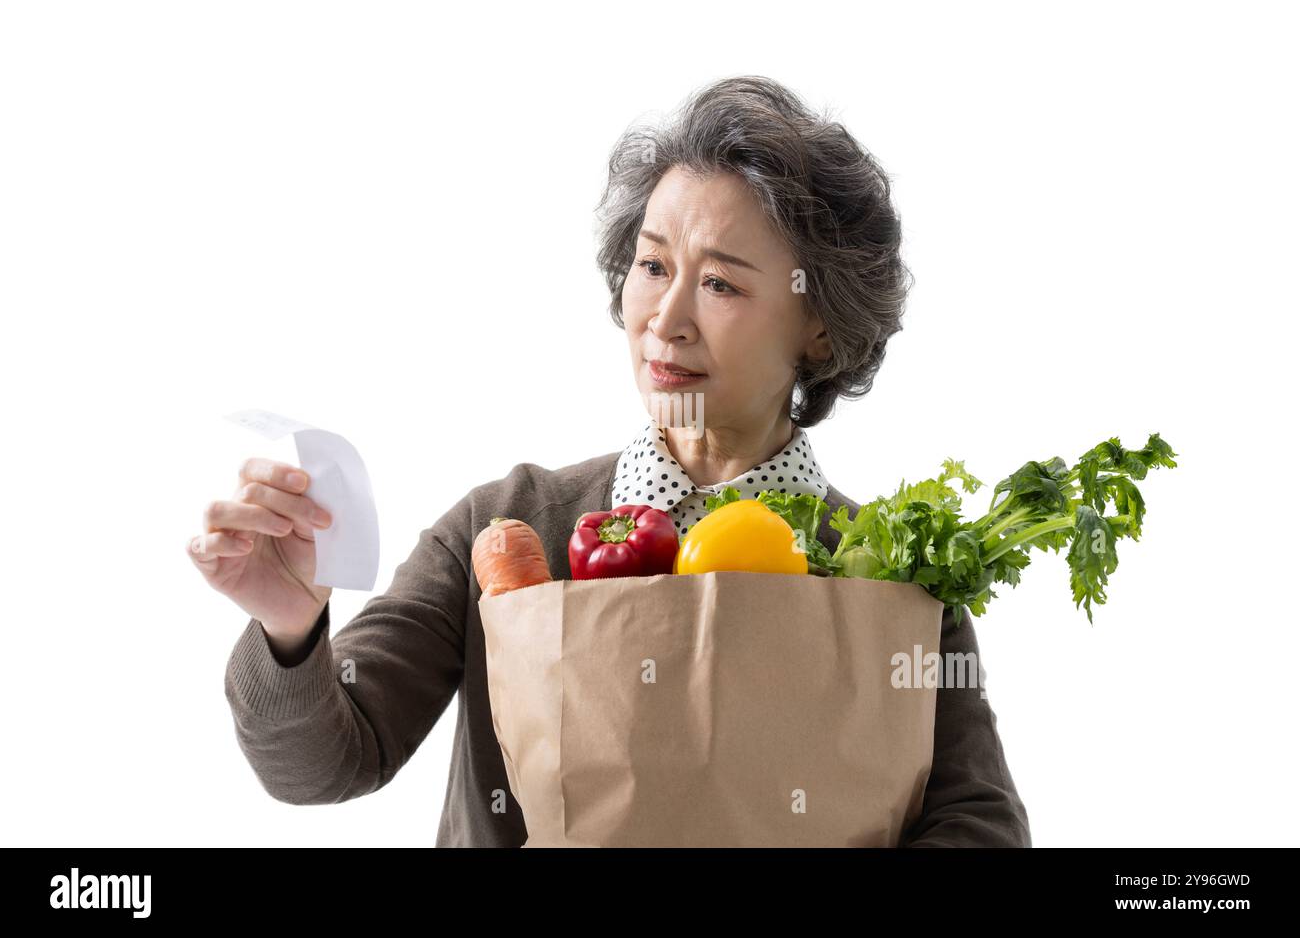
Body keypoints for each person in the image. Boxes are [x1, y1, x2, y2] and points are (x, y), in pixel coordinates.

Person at [189, 75, 1031, 847]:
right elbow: (328, 761)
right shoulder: (503, 527)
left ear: (818, 324)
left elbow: (981, 822)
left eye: (721, 284)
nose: (666, 318)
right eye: (653, 265)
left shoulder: (889, 569)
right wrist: (290, 629)